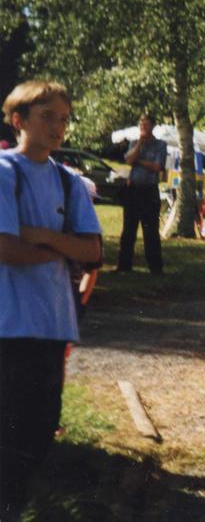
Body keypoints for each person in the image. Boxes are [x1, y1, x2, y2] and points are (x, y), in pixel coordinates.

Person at [0, 81, 102, 519]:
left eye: (63, 118)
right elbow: (5, 248)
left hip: (51, 325)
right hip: (7, 324)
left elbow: (95, 252)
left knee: (40, 430)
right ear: (18, 121)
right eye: (47, 117)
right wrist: (64, 248)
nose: (58, 127)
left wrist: (42, 238)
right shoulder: (5, 172)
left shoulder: (68, 180)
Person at [117, 113, 167, 273]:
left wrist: (139, 161)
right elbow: (129, 159)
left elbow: (157, 167)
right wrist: (139, 145)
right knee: (128, 230)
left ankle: (155, 267)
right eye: (141, 125)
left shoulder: (160, 145)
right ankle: (124, 266)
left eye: (146, 125)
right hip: (133, 189)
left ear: (152, 126)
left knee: (150, 230)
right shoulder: (134, 142)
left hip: (149, 190)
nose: (143, 128)